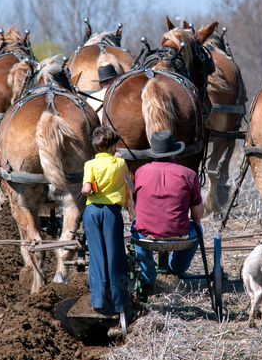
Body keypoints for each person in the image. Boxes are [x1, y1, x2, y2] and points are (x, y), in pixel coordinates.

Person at [130, 130, 204, 292]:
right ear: (174, 153)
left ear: (153, 153)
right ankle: (175, 269)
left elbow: (138, 204)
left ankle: (148, 275)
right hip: (179, 234)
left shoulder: (140, 172)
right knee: (197, 229)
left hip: (145, 234)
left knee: (135, 225)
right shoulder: (189, 175)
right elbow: (198, 216)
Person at [81, 125, 129, 318]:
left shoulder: (90, 165)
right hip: (111, 212)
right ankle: (117, 303)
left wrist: (93, 187)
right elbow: (121, 168)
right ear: (112, 147)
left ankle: (98, 300)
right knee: (115, 254)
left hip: (92, 212)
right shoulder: (121, 164)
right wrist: (117, 158)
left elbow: (85, 190)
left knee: (96, 254)